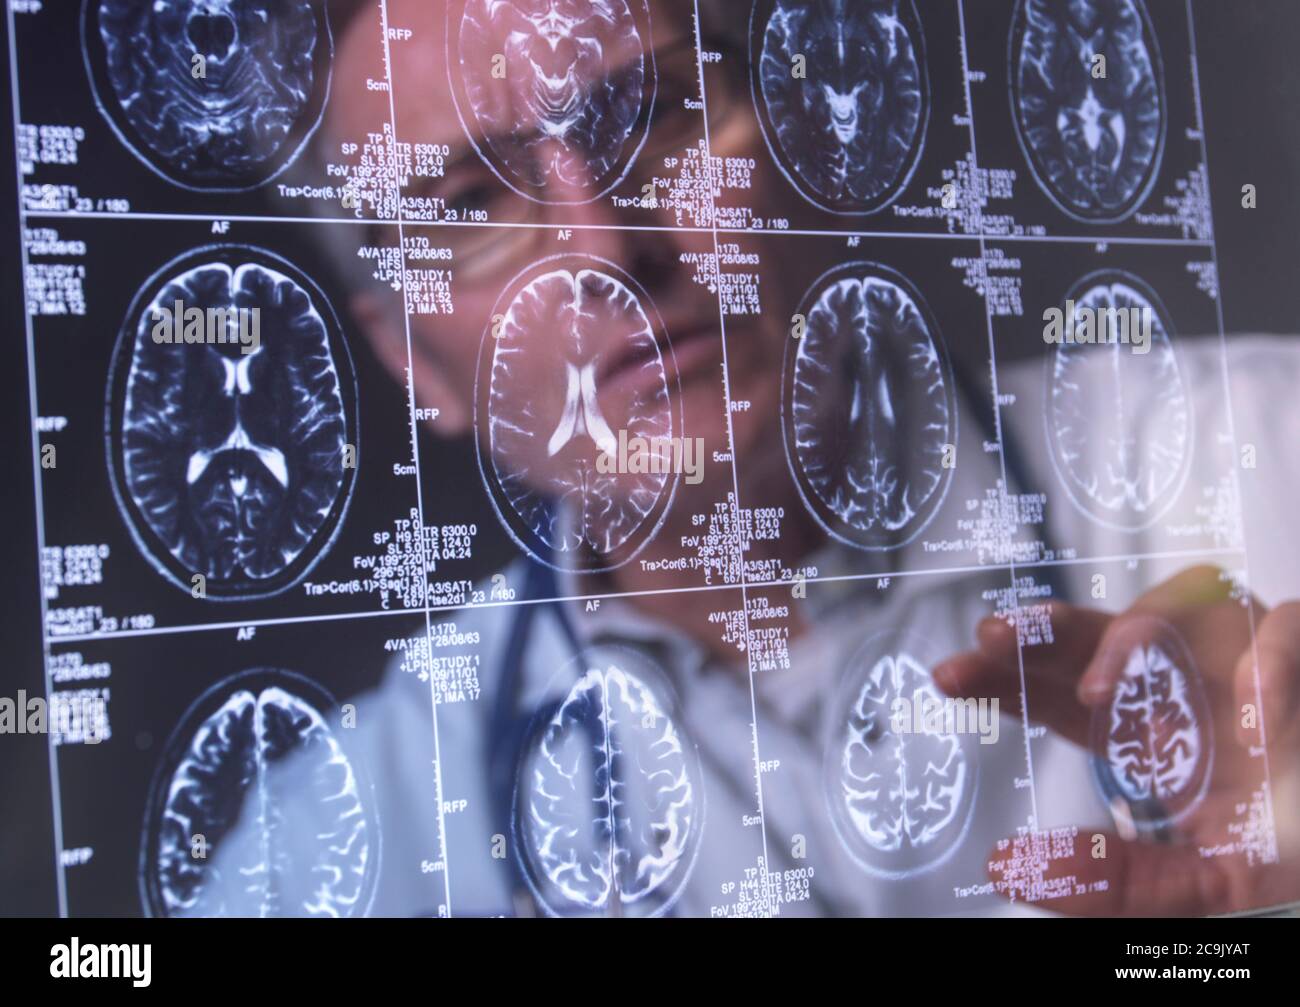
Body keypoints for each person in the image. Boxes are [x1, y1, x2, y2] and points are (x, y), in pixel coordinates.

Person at [239, 0, 1300, 917]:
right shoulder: (331, 838)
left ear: (811, 146)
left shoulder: (1266, 450)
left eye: (653, 116)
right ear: (409, 358)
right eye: (472, 207)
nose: (607, 250)